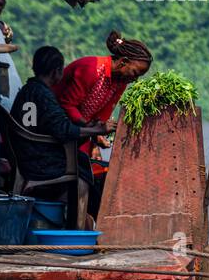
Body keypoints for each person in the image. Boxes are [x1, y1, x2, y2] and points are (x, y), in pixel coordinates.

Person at [9, 46, 109, 219]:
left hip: (25, 154)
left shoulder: (27, 91)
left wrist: (88, 129)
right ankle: (78, 225)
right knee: (82, 168)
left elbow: (51, 125)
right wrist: (96, 130)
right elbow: (63, 130)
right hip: (39, 163)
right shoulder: (43, 95)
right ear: (56, 71)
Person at [54, 30, 152, 151]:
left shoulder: (120, 83)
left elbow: (102, 117)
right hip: (56, 127)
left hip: (80, 132)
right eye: (134, 73)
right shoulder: (91, 69)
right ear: (123, 62)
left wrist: (97, 137)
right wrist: (92, 129)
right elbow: (67, 105)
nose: (135, 79)